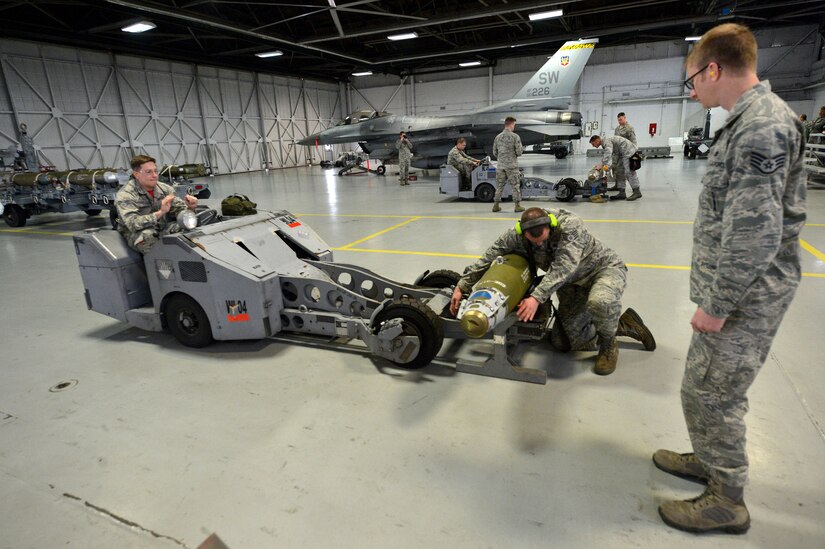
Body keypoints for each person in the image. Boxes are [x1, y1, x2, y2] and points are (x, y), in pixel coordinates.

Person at [653, 23, 806, 535]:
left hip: (745, 296)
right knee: (702, 387)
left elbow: (755, 233)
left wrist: (717, 305)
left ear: (713, 69)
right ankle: (708, 459)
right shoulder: (748, 121)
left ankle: (726, 500)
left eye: (692, 80)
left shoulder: (760, 126)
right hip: (737, 290)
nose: (691, 91)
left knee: (714, 394)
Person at [449, 207, 655, 375]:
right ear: (522, 232)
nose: (539, 243)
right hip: (571, 284)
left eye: (542, 239)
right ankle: (624, 324)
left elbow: (565, 267)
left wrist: (536, 297)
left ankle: (609, 345)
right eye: (534, 241)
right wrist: (462, 285)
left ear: (550, 225)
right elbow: (489, 257)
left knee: (600, 302)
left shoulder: (571, 226)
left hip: (602, 271)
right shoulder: (515, 235)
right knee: (562, 342)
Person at [115, 154, 198, 253]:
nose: (154, 175)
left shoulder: (165, 189)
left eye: (155, 171)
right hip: (137, 233)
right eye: (148, 172)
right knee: (148, 236)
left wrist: (190, 208)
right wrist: (160, 212)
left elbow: (180, 210)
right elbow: (133, 224)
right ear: (136, 174)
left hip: (162, 227)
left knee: (189, 227)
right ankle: (162, 261)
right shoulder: (125, 195)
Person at [589, 134, 642, 201]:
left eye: (593, 144)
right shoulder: (605, 142)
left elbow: (608, 153)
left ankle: (637, 191)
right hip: (621, 153)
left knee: (629, 171)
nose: (593, 146)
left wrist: (601, 164)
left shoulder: (606, 141)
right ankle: (622, 192)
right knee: (620, 171)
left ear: (597, 140)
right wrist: (610, 166)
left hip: (628, 151)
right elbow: (613, 155)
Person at [491, 116, 524, 213]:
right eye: (514, 125)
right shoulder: (515, 137)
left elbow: (494, 152)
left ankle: (496, 205)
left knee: (499, 186)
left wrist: (502, 158)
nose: (514, 127)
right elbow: (519, 152)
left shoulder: (498, 137)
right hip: (512, 166)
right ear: (511, 124)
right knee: (515, 185)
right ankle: (517, 206)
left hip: (500, 166)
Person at [611, 112, 637, 191]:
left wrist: (633, 154)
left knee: (628, 171)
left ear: (625, 118)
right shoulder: (617, 129)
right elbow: (615, 140)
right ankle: (617, 185)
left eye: (621, 119)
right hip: (618, 153)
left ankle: (635, 189)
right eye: (618, 120)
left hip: (626, 153)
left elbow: (633, 142)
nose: (619, 121)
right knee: (616, 169)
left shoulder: (629, 128)